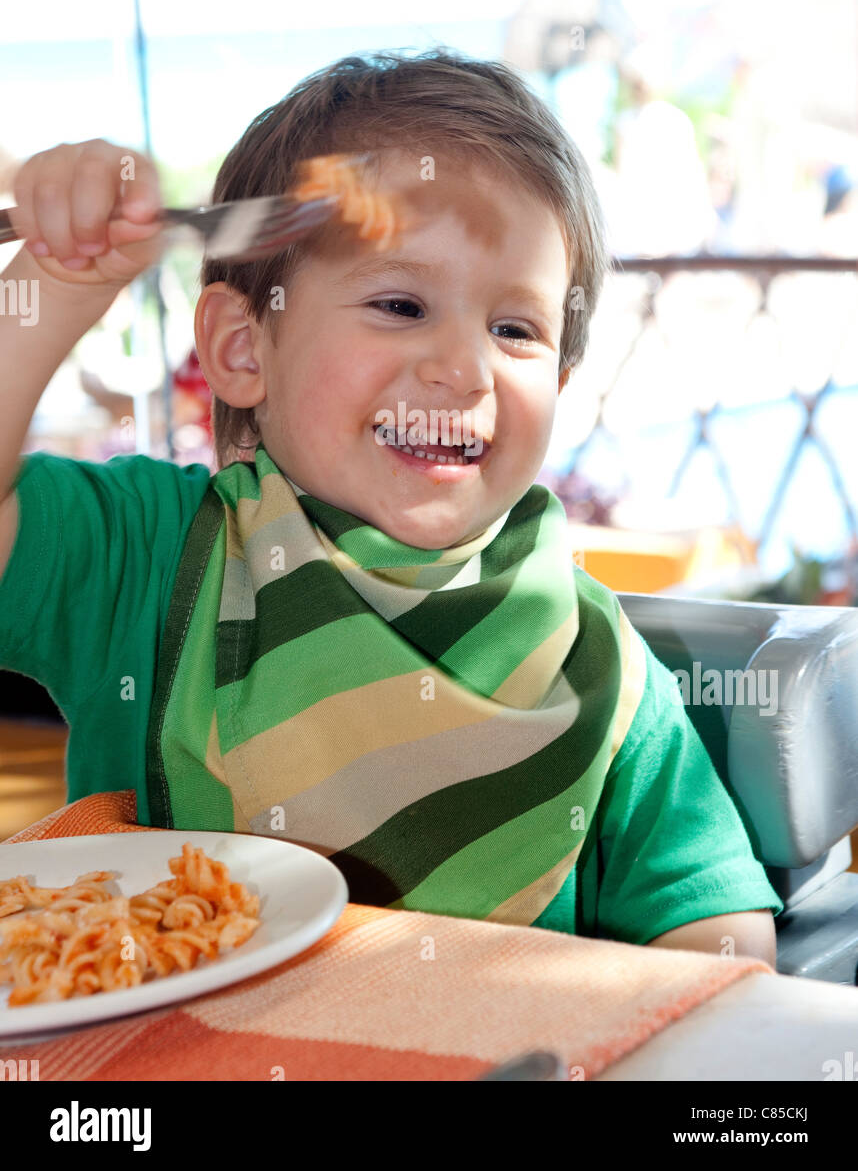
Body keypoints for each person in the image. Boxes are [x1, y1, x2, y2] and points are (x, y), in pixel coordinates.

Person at [0, 49, 781, 961]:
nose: (463, 365)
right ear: (244, 350)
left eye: (514, 329)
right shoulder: (149, 556)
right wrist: (56, 290)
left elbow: (718, 936)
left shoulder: (598, 665)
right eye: (403, 304)